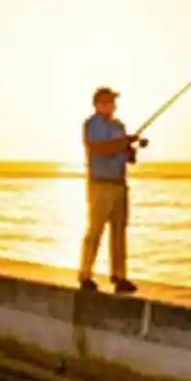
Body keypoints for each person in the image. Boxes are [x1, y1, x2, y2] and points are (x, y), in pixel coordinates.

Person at [79, 86, 142, 294]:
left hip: (119, 183)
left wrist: (131, 149)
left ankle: (120, 276)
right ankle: (86, 274)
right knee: (95, 231)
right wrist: (123, 142)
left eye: (112, 102)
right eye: (106, 102)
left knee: (119, 232)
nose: (110, 106)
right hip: (100, 184)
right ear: (97, 105)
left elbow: (127, 157)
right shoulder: (91, 125)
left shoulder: (119, 126)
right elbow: (99, 148)